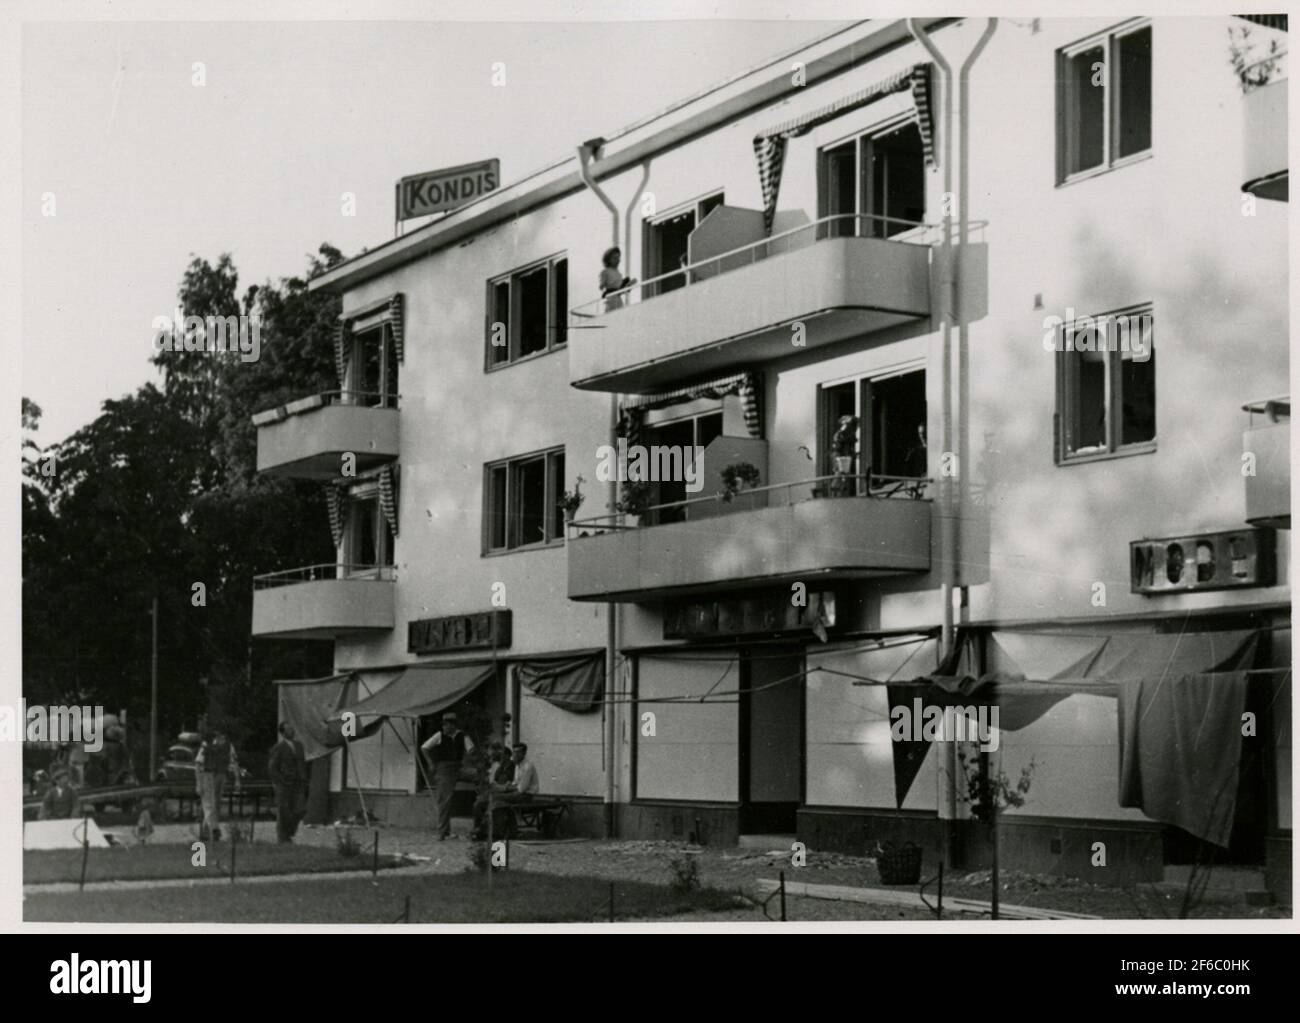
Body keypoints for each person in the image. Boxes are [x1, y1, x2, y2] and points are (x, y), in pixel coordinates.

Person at [420, 712, 475, 840]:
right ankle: (442, 831)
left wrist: (475, 763)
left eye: (447, 725)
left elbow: (471, 751)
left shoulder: (462, 736)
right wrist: (431, 764)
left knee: (481, 777)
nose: (444, 727)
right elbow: (424, 748)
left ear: (453, 725)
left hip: (459, 768)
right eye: (444, 724)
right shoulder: (439, 735)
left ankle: (482, 825)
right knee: (444, 800)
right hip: (444, 770)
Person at [194, 727, 239, 842]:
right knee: (209, 805)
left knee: (214, 804)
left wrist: (237, 780)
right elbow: (198, 765)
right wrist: (199, 784)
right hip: (207, 775)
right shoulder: (206, 746)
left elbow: (233, 762)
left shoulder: (226, 746)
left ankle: (208, 832)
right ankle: (213, 831)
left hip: (216, 775)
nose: (220, 739)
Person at [268, 721, 308, 844]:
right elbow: (272, 767)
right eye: (289, 729)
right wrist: (280, 780)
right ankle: (282, 837)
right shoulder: (278, 748)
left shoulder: (299, 746)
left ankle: (290, 831)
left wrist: (304, 777)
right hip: (284, 784)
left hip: (298, 783)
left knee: (300, 809)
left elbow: (303, 763)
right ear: (283, 733)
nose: (292, 731)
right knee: (284, 810)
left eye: (292, 728)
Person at [471, 741, 515, 841]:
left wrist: (496, 786)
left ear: (508, 756)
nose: (502, 758)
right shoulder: (496, 765)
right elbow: (492, 780)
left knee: (491, 804)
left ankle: (484, 830)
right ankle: (478, 829)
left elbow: (506, 782)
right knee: (478, 804)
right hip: (494, 791)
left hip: (504, 792)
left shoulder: (511, 766)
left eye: (504, 756)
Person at [599, 247, 635, 311]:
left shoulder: (619, 273)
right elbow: (601, 286)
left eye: (618, 258)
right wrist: (602, 284)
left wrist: (627, 285)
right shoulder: (605, 271)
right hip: (611, 298)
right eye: (615, 258)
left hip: (618, 298)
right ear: (608, 259)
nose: (617, 260)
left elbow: (620, 287)